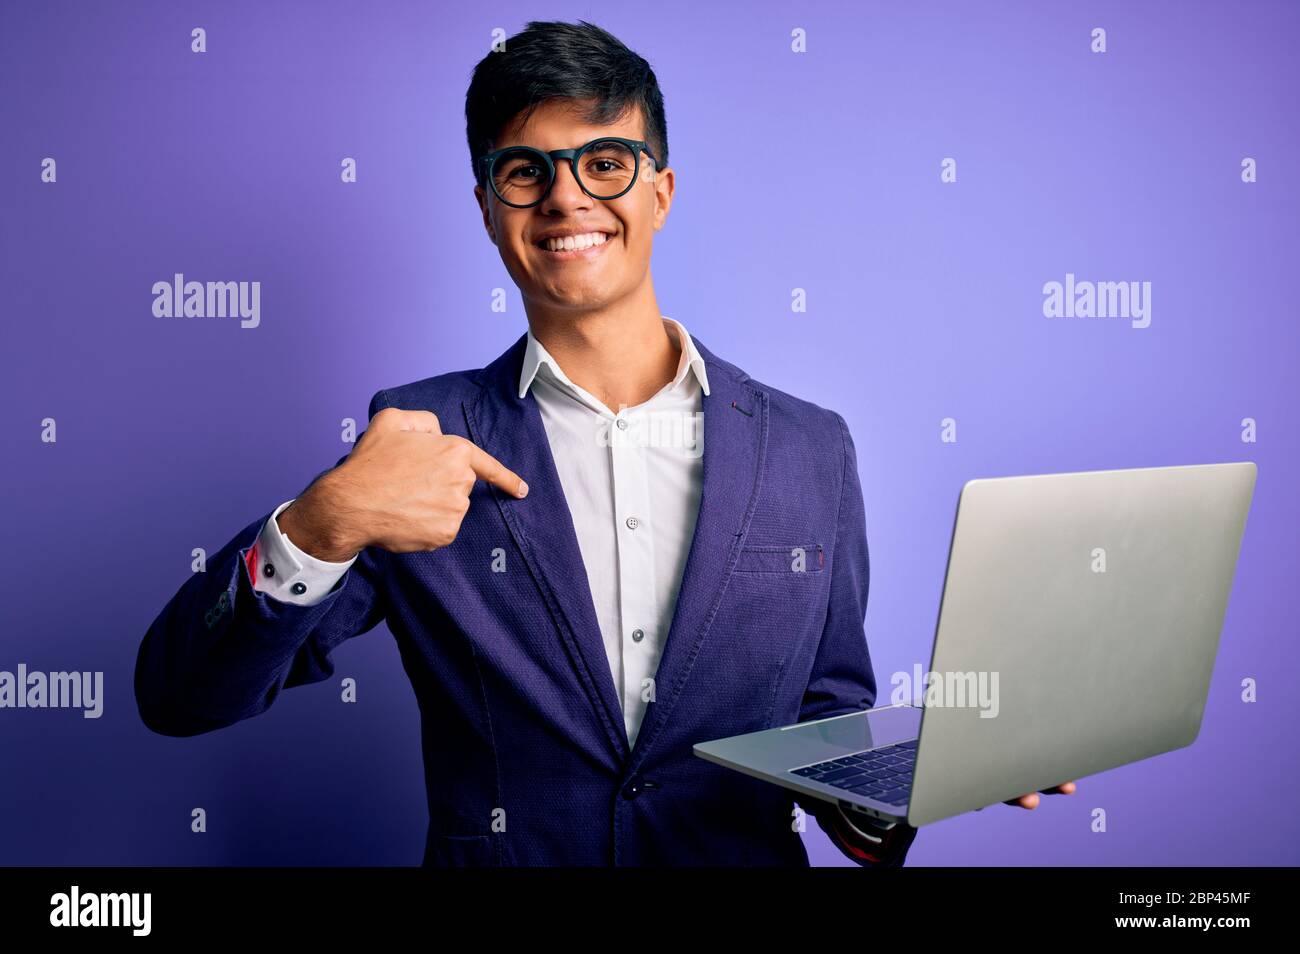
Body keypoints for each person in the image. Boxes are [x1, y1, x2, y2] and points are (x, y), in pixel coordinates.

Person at [135, 19, 1071, 866]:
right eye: (525, 171)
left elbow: (826, 729)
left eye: (606, 162)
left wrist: (923, 777)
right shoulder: (417, 437)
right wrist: (319, 522)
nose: (567, 197)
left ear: (660, 192)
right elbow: (180, 697)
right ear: (488, 208)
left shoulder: (810, 448)